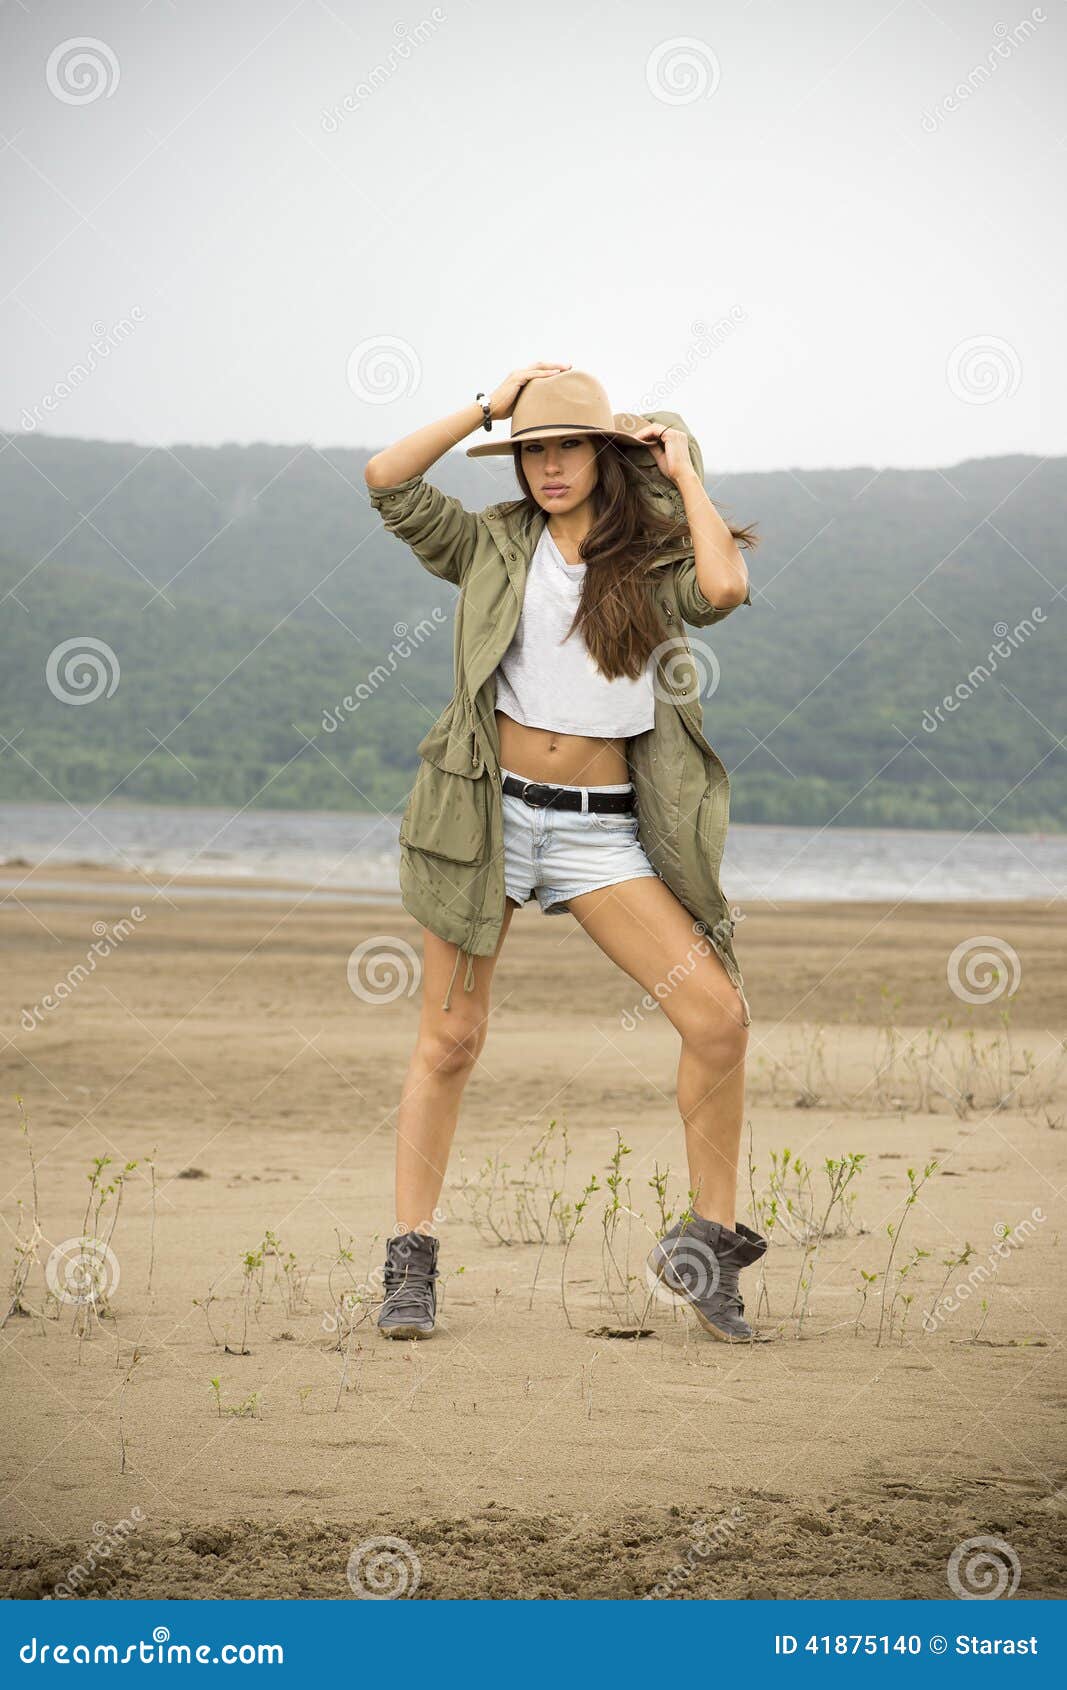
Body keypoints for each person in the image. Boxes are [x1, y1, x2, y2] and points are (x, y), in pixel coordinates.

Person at [363, 364, 768, 1343]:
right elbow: (386, 479)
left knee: (716, 1019)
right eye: (532, 449)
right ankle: (409, 1257)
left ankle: (704, 1241)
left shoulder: (652, 559)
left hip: (599, 830)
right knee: (449, 1042)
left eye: (567, 445)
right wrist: (486, 406)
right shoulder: (488, 542)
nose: (548, 465)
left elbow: (726, 583)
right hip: (485, 817)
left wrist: (680, 468)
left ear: (604, 455)